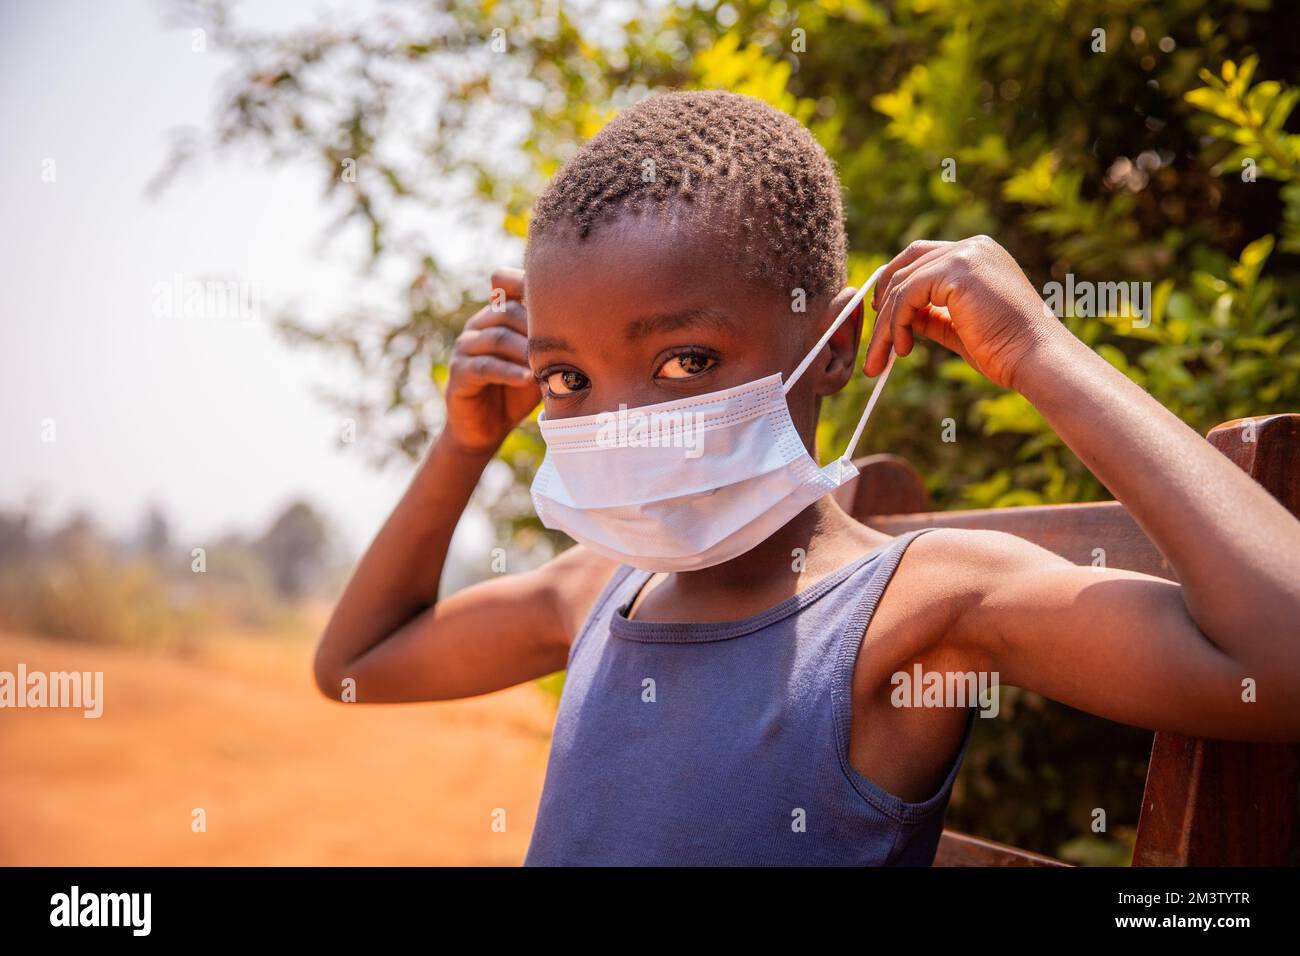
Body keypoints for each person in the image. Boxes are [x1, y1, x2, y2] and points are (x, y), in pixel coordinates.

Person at [312, 90, 1300, 865]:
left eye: (683, 361)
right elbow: (357, 666)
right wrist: (463, 444)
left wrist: (1036, 348)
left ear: (832, 345)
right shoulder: (597, 588)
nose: (616, 420)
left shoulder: (918, 605)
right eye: (566, 377)